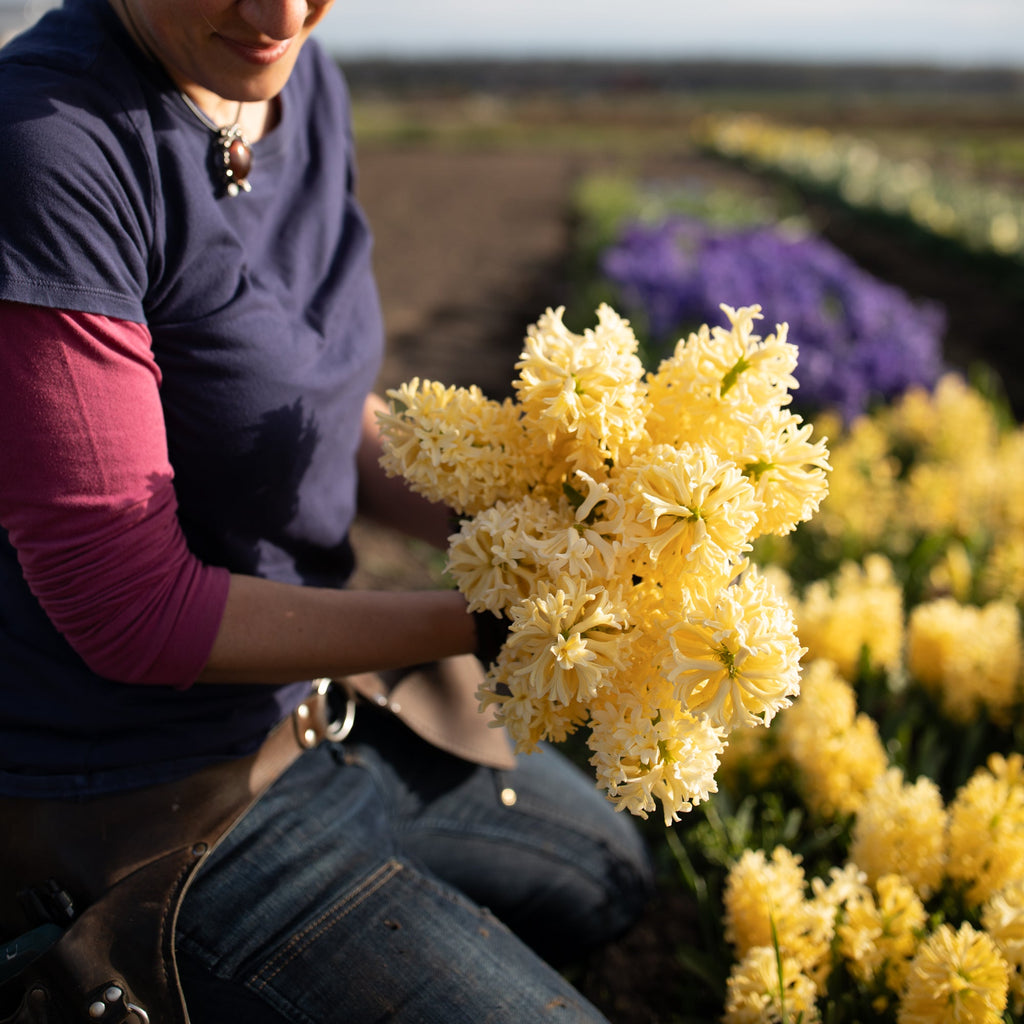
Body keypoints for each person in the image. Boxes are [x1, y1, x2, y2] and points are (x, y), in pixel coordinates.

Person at [0, 1, 655, 1021]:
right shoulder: (49, 141)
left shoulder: (292, 78)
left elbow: (309, 416)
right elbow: (129, 609)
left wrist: (553, 516)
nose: (277, 13)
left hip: (314, 711)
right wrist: (500, 612)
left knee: (611, 867)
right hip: (149, 797)